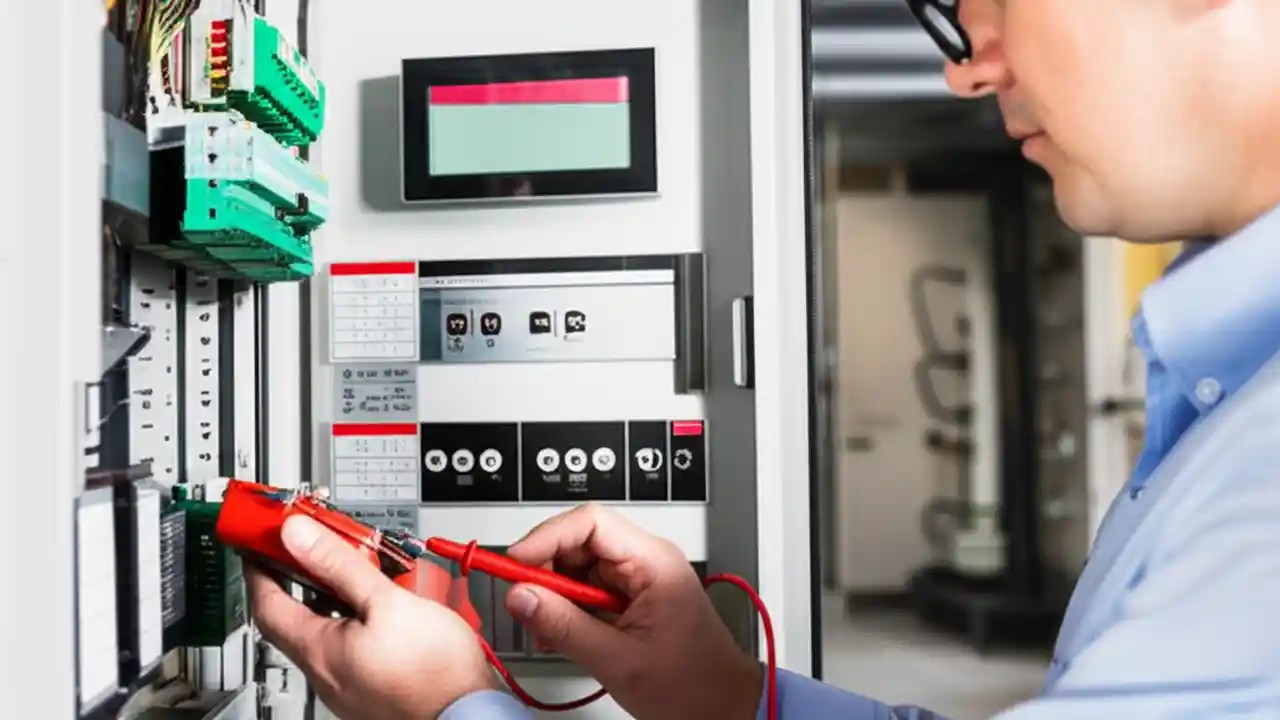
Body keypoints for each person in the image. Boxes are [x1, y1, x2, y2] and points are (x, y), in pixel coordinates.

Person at [247, 0, 1280, 716]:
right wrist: (719, 694)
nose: (966, 64)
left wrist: (446, 710)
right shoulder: (1223, 398)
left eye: (985, 0)